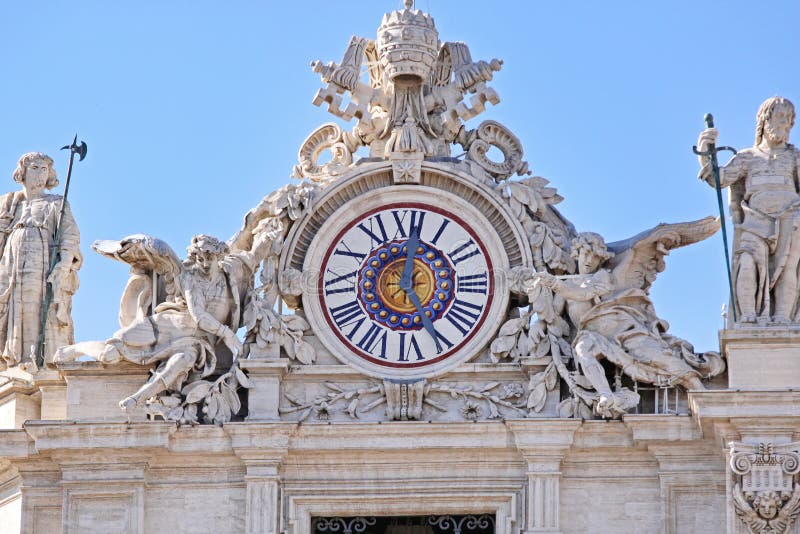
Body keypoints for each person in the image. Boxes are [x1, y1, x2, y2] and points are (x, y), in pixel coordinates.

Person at [531, 232, 714, 417]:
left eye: (595, 257)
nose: (589, 261)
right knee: (582, 350)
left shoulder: (601, 276)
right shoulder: (567, 285)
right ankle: (606, 395)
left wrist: (555, 284)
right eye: (585, 254)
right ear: (576, 254)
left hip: (618, 328)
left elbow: (583, 294)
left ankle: (695, 385)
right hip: (592, 334)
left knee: (653, 356)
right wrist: (539, 322)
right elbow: (553, 317)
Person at [697, 97, 800, 323]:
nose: (785, 123)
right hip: (753, 220)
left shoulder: (795, 156)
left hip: (790, 216)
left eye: (789, 119)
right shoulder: (747, 157)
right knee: (746, 261)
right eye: (780, 116)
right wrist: (706, 153)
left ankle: (783, 318)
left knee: (788, 267)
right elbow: (719, 179)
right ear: (765, 119)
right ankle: (748, 317)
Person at [0, 152, 81, 369]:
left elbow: (69, 236)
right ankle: (11, 361)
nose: (40, 174)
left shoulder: (56, 203)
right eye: (35, 168)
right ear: (23, 172)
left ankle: (33, 360)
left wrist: (63, 265)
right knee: (8, 306)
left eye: (44, 169)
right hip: (10, 260)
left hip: (41, 258)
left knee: (34, 303)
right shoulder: (8, 203)